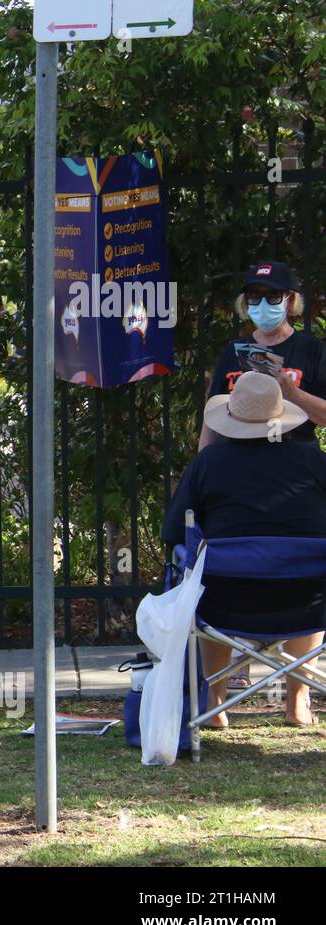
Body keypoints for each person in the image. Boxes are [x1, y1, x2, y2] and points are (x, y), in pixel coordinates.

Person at [163, 371, 326, 727]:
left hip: (226, 607)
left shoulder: (208, 463)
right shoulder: (314, 461)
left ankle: (216, 702)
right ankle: (298, 702)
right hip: (308, 606)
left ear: (231, 419)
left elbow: (173, 532)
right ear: (282, 416)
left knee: (203, 577)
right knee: (313, 570)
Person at [200, 260, 326, 448]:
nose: (263, 304)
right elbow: (212, 415)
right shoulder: (233, 351)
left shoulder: (311, 349)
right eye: (254, 296)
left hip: (294, 466)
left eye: (273, 295)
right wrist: (203, 465)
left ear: (290, 300)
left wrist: (293, 394)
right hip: (241, 461)